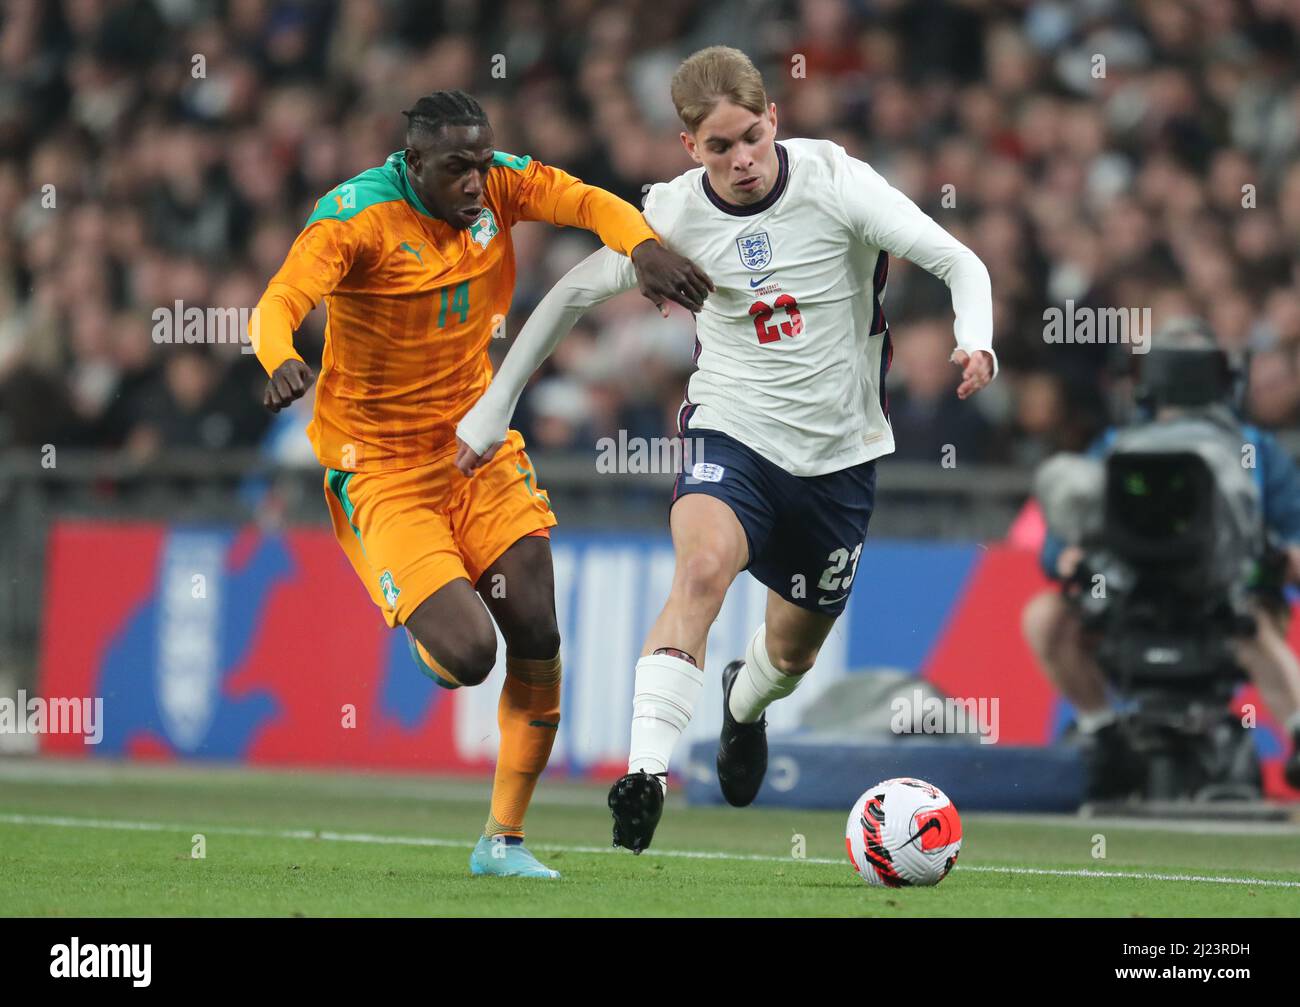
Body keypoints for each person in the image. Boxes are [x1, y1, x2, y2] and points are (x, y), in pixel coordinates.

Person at [455, 48, 996, 853]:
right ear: (688, 148)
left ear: (774, 118)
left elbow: (959, 259)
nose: (741, 160)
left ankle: (744, 704)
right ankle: (645, 772)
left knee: (789, 653)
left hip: (839, 457)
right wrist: (493, 408)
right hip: (732, 432)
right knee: (702, 569)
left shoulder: (836, 182)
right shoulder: (672, 215)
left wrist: (974, 339)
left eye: (751, 137)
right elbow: (570, 291)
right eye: (719, 147)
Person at [249, 89, 711, 877]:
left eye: (482, 161)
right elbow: (278, 300)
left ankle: (502, 839)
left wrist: (639, 247)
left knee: (538, 627)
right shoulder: (355, 218)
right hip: (382, 468)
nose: (476, 180)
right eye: (457, 166)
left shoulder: (500, 182)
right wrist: (279, 354)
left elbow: (587, 199)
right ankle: (434, 632)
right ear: (414, 162)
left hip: (475, 446)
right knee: (471, 654)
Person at [1024, 323, 1300, 798]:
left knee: (1252, 622)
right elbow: (1061, 538)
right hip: (1130, 596)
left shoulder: (1255, 450)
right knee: (1045, 617)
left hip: (1226, 598)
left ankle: (1297, 731)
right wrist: (1067, 559)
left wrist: (1283, 558)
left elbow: (1295, 529)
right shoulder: (1115, 446)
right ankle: (1103, 731)